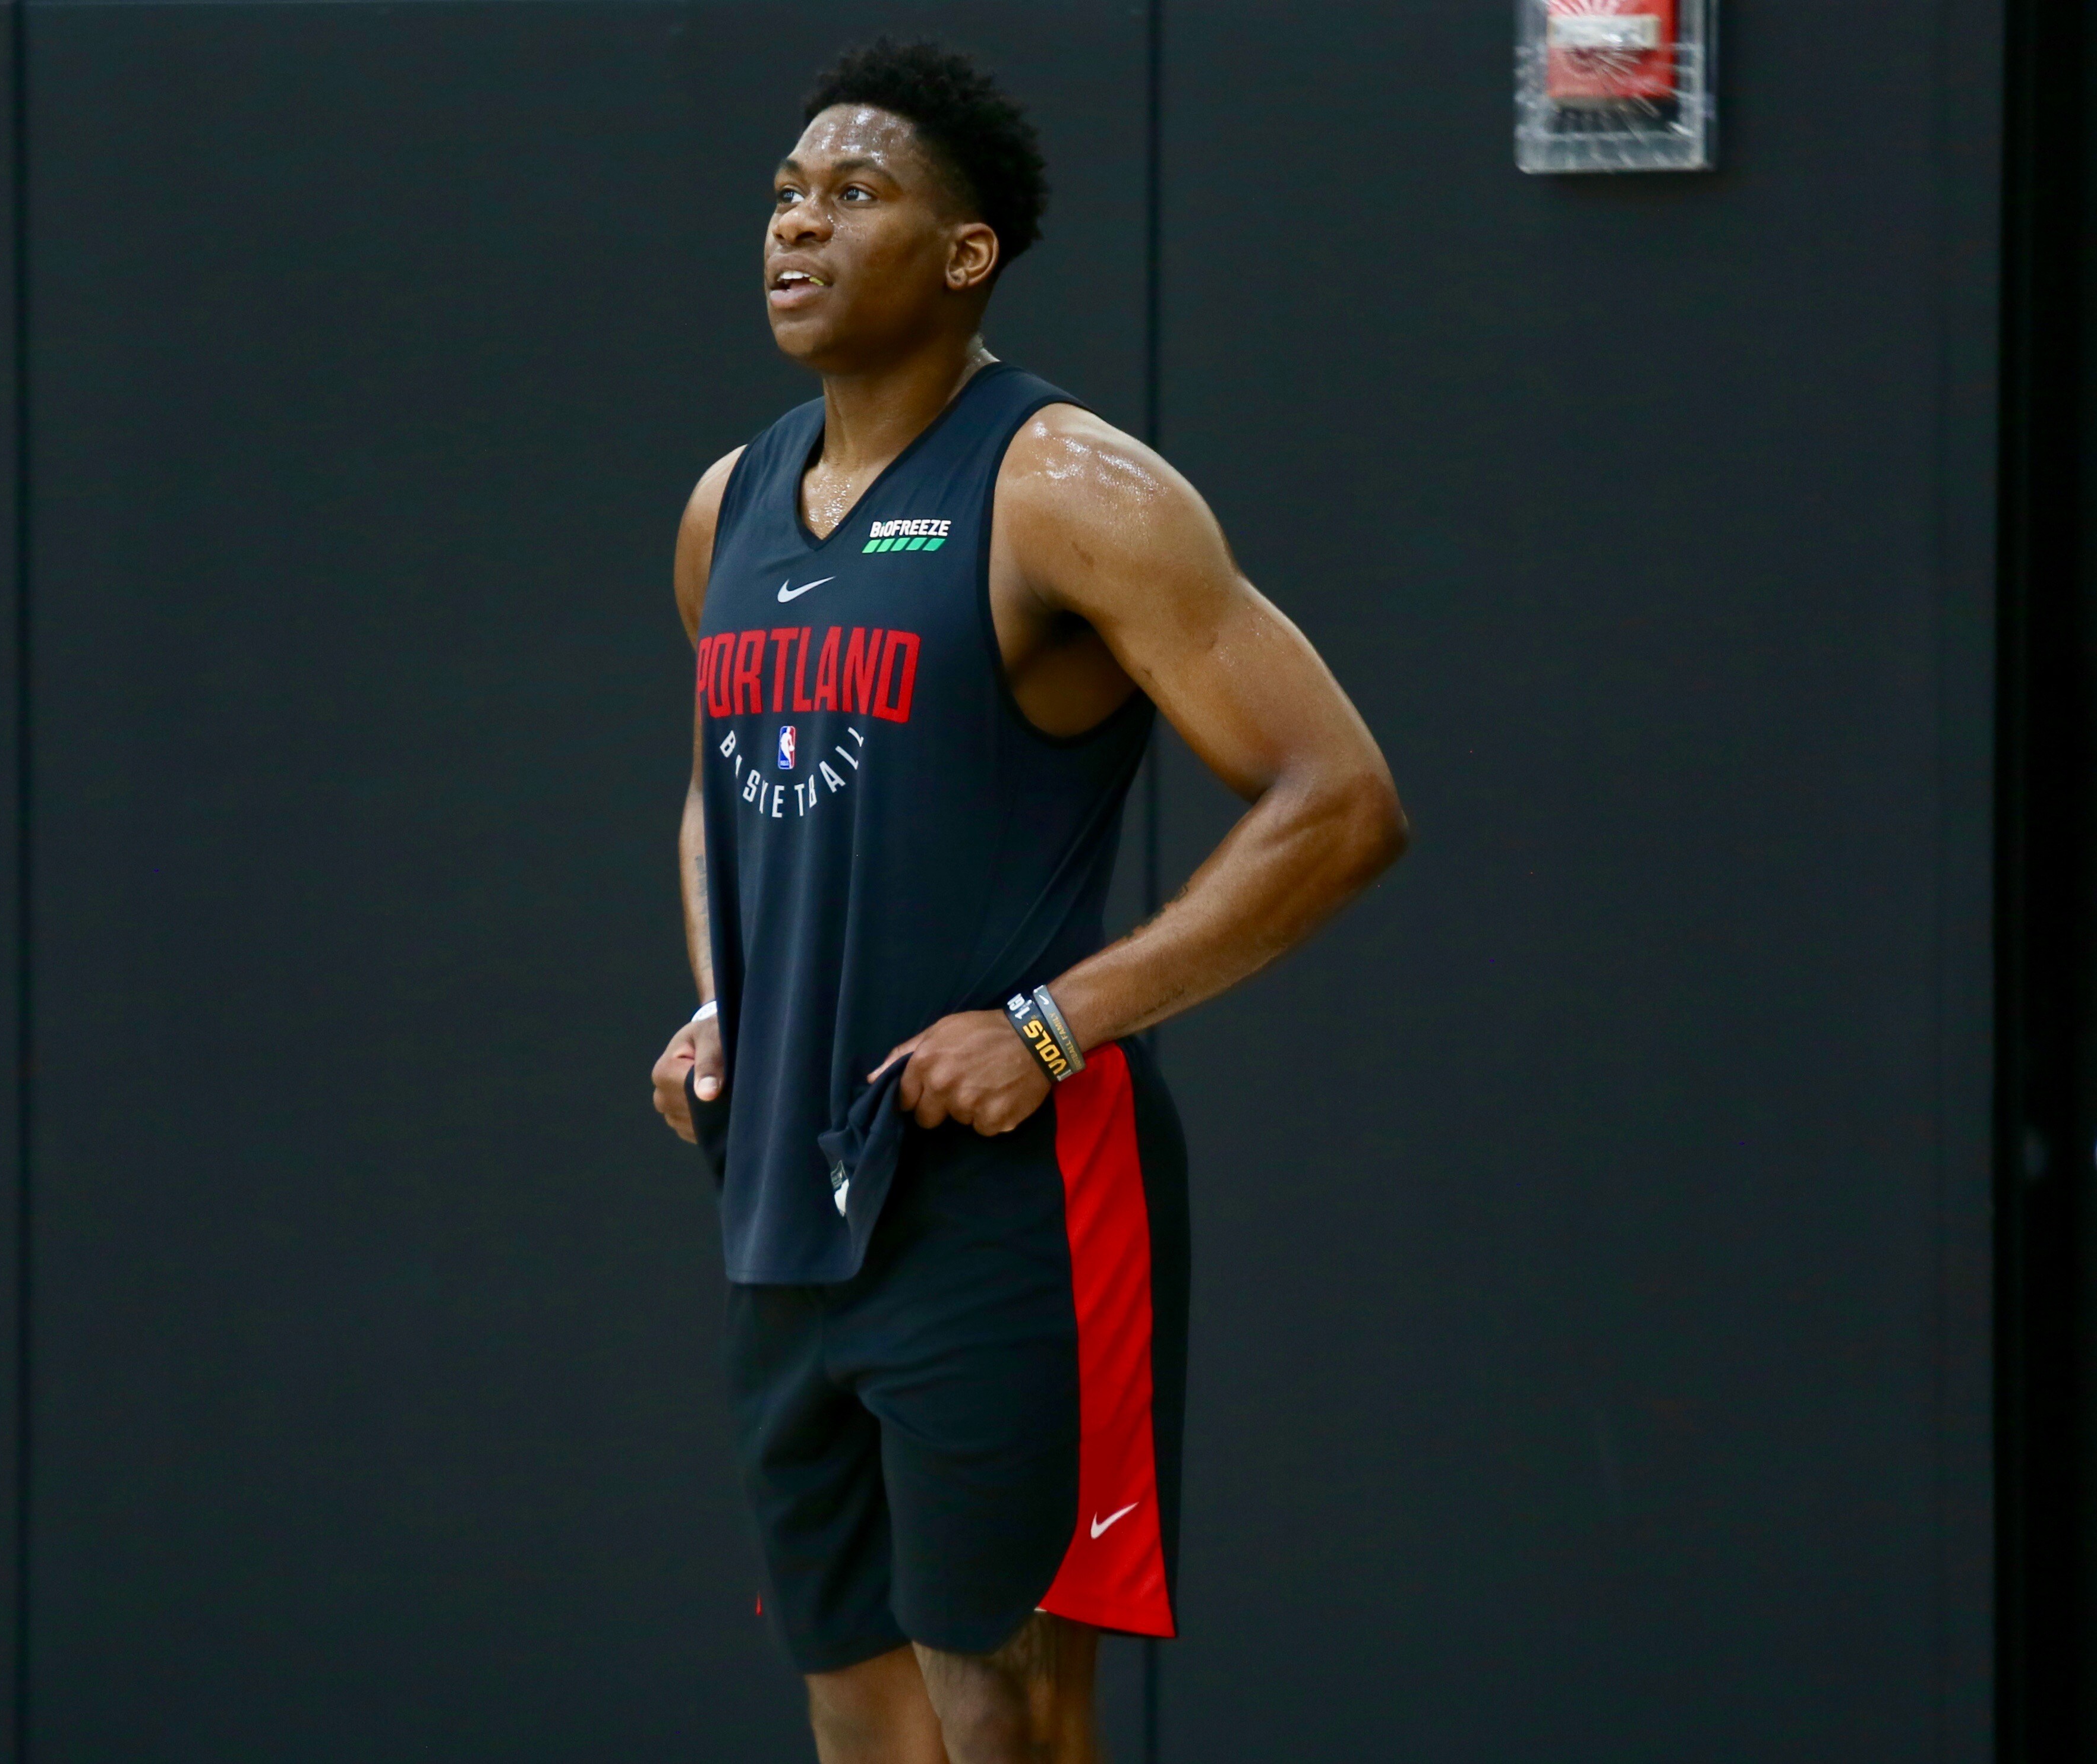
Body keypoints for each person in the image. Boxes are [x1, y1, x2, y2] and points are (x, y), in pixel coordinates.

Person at [649, 39, 1407, 1764]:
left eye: (854, 197)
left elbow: (1340, 799)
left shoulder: (1069, 488)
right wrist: (724, 1005)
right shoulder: (729, 507)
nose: (798, 229)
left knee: (1003, 1701)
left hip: (1012, 1196)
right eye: (784, 196)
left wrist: (1056, 1024)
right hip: (788, 1181)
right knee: (858, 1692)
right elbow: (725, 791)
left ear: (965, 253)